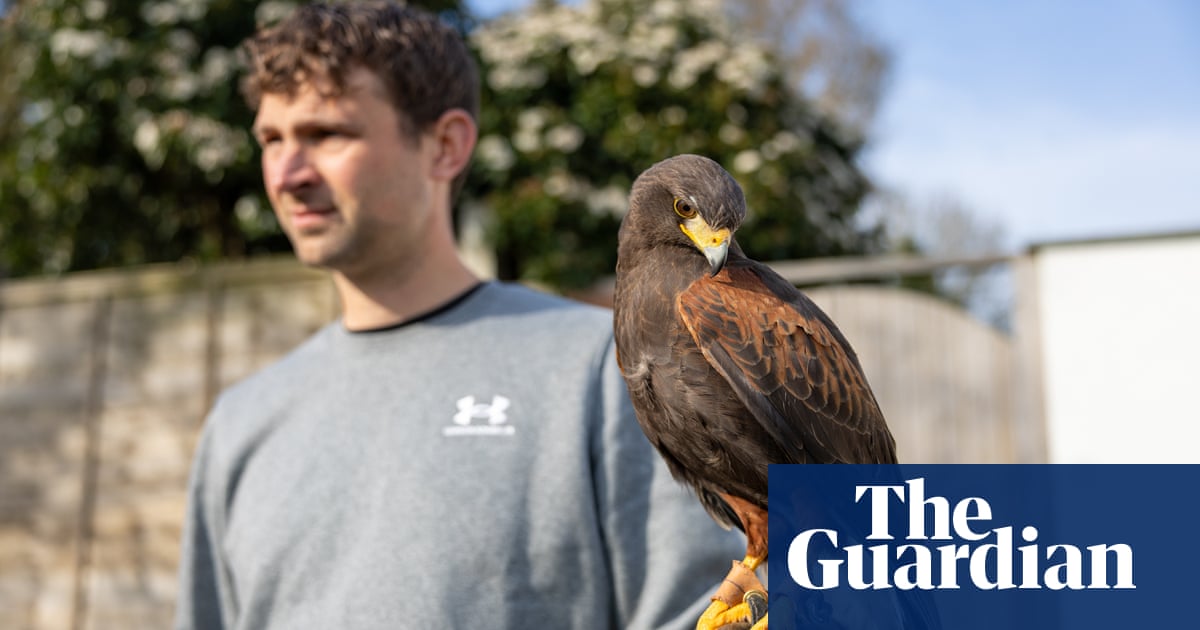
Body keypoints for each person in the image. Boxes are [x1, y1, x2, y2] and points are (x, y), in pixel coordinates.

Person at [173, 2, 745, 628]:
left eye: (326, 134)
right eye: (271, 139)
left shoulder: (613, 371)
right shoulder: (240, 423)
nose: (286, 173)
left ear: (445, 146)